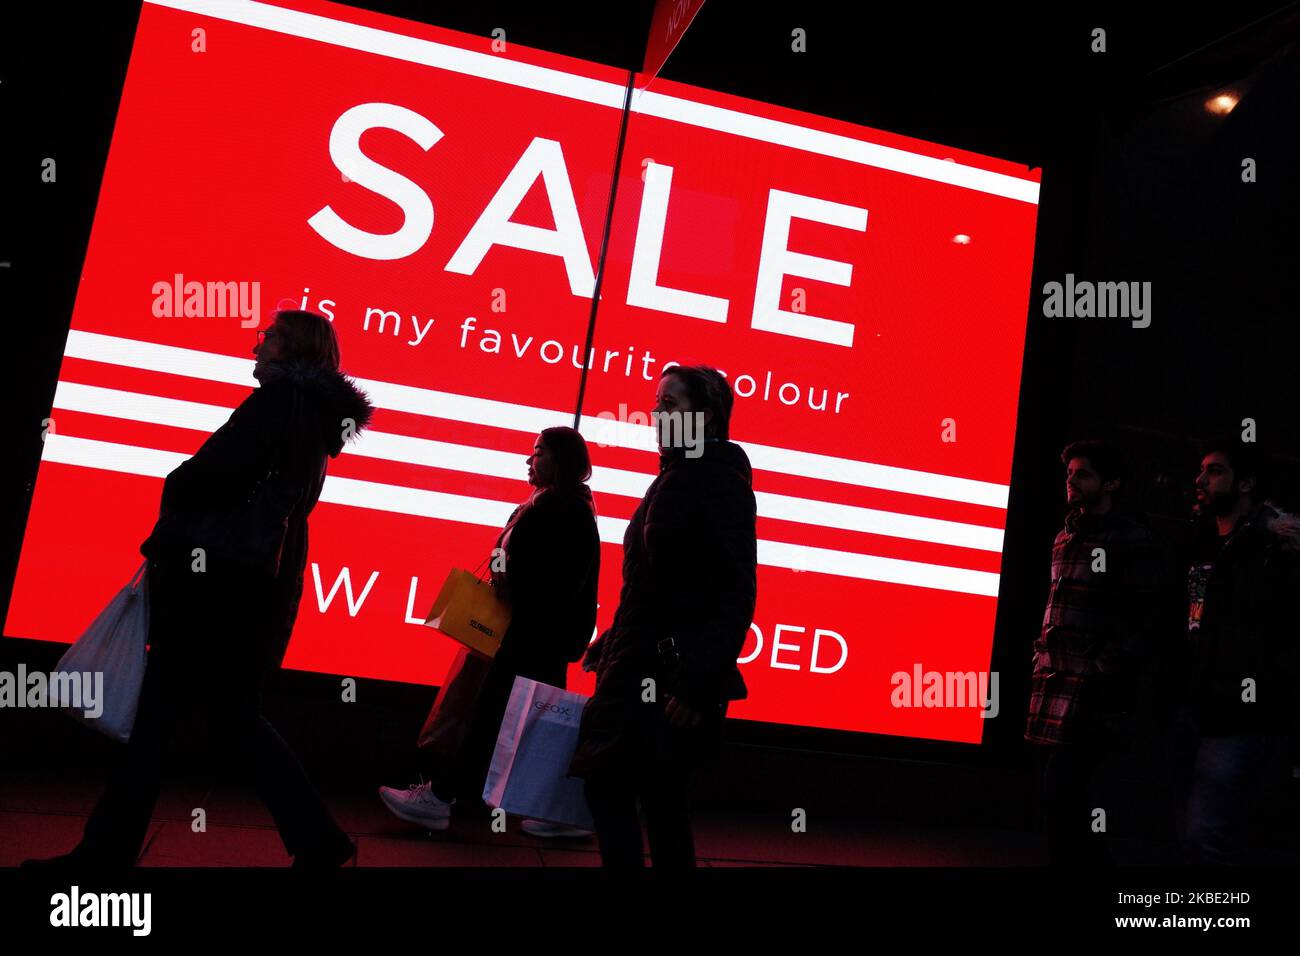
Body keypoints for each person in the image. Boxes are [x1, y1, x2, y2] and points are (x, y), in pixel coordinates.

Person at [22, 309, 374, 869]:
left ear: (294, 349)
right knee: (225, 716)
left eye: (270, 338)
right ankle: (317, 840)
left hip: (213, 584)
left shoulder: (277, 403)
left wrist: (177, 485)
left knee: (165, 717)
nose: (258, 347)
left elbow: (213, 476)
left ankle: (106, 853)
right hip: (250, 586)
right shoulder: (315, 420)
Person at [568, 365, 758, 867]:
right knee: (655, 800)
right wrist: (614, 637)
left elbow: (733, 590)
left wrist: (698, 682)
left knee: (617, 789)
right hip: (640, 665)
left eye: (669, 404)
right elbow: (660, 585)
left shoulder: (715, 480)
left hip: (667, 683)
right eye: (657, 403)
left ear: (707, 416)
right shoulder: (679, 477)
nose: (656, 413)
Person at [379, 426, 600, 836]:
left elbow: (546, 578)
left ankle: (442, 798)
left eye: (538, 452)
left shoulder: (561, 509)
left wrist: (506, 571)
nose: (529, 460)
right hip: (537, 634)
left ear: (561, 460)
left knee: (495, 715)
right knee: (524, 720)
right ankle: (562, 810)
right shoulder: (560, 506)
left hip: (532, 634)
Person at [1024, 439, 1163, 866]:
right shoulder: (1064, 535)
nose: (1071, 481)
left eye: (1083, 474)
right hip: (1051, 680)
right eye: (1070, 474)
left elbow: (1147, 617)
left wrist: (1109, 669)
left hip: (1089, 690)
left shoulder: (1131, 540)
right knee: (1055, 799)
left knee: (1068, 795)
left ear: (1112, 483)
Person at [1176, 438, 1300, 864]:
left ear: (1245, 483)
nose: (1201, 479)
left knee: (1206, 834)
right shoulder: (1199, 540)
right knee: (1191, 830)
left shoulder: (1273, 550)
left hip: (1240, 713)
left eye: (1215, 471)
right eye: (1202, 470)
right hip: (1194, 705)